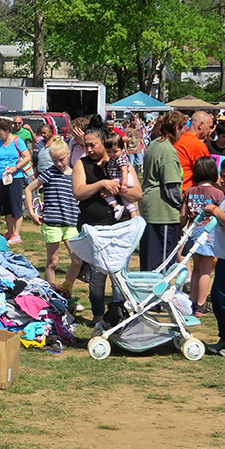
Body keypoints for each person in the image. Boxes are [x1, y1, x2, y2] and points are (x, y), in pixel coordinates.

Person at [72, 115, 142, 325]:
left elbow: (137, 193)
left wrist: (120, 189)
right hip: (94, 229)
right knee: (96, 276)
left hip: (120, 228)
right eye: (86, 146)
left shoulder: (121, 162)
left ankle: (120, 313)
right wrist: (102, 183)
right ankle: (98, 314)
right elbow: (78, 191)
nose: (89, 150)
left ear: (104, 143)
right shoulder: (82, 164)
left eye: (92, 145)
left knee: (120, 272)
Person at [24, 138, 83, 301]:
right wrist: (32, 212)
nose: (58, 163)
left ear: (69, 154)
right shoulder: (49, 173)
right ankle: (50, 295)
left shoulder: (76, 175)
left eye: (61, 159)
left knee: (77, 260)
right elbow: (29, 189)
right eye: (54, 160)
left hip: (71, 222)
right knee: (53, 262)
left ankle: (65, 290)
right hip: (52, 223)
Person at [139, 111, 186, 271]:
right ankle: (157, 295)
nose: (184, 132)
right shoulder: (167, 150)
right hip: (162, 213)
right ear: (177, 128)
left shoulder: (155, 143)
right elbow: (171, 187)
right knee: (162, 262)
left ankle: (147, 292)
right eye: (183, 128)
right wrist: (182, 205)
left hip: (150, 208)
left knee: (150, 258)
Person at [180, 157, 224, 317]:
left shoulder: (190, 190)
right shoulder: (217, 193)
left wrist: (180, 229)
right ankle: (201, 305)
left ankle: (192, 302)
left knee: (197, 267)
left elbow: (183, 214)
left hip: (193, 229)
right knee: (206, 270)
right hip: (208, 231)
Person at [203, 158, 225, 355]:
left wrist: (215, 210)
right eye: (222, 176)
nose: (222, 181)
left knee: (224, 299)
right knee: (219, 299)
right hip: (223, 256)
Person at [0, 118, 31, 245]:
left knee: (16, 204)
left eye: (0, 132)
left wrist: (16, 167)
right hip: (1, 177)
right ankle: (9, 232)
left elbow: (27, 157)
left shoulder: (17, 141)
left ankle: (17, 234)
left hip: (16, 176)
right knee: (5, 206)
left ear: (7, 130)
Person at [174, 111, 213, 192]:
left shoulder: (178, 139)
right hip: (187, 192)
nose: (210, 130)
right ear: (200, 125)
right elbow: (208, 174)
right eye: (209, 127)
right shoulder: (198, 146)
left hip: (174, 189)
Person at [103, 132, 137, 220]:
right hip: (121, 179)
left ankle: (115, 206)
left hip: (124, 179)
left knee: (106, 190)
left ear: (122, 149)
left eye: (115, 151)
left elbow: (124, 171)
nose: (112, 154)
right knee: (126, 200)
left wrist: (124, 185)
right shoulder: (113, 158)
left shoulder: (121, 158)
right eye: (109, 152)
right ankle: (133, 215)